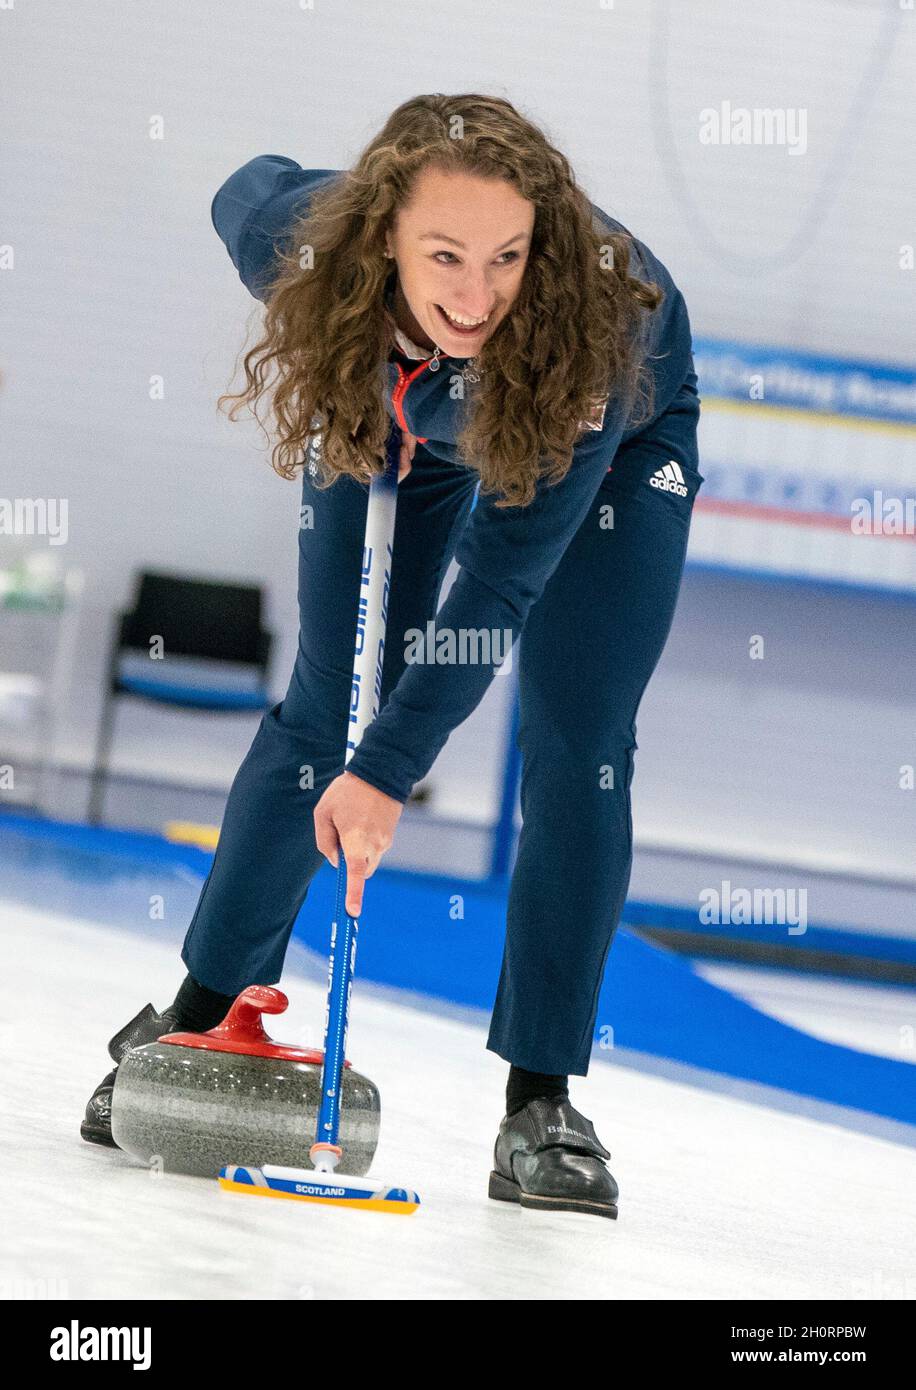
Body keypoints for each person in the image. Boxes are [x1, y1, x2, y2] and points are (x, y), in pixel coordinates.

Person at [83, 93, 703, 1220]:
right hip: (397, 420)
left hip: (608, 444)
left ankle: (541, 1100)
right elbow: (246, 182)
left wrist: (389, 768)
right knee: (325, 706)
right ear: (381, 237)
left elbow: (496, 593)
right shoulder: (305, 243)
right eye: (445, 256)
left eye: (508, 257)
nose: (476, 296)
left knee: (580, 742)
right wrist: (357, 749)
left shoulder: (588, 331)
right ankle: (196, 1010)